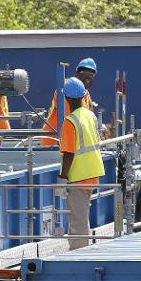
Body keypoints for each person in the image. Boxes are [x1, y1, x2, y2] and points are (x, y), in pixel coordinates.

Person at [57, 77, 105, 250]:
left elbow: (69, 154)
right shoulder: (90, 115)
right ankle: (81, 248)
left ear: (67, 99)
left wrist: (62, 179)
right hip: (92, 174)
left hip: (78, 176)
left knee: (77, 220)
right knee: (81, 215)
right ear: (83, 96)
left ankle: (79, 253)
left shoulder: (70, 121)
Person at [40, 57, 96, 146]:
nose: (88, 79)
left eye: (91, 76)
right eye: (85, 75)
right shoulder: (66, 88)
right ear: (77, 75)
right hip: (54, 142)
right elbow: (69, 119)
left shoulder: (85, 93)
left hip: (69, 142)